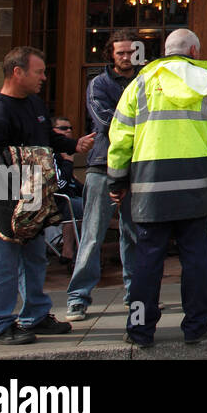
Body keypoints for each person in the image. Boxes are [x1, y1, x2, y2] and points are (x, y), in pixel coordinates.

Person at [109, 28, 207, 347]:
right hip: (196, 182)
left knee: (148, 258)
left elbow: (121, 135)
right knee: (195, 256)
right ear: (194, 51)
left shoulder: (140, 84)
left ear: (166, 51)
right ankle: (196, 326)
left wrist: (117, 179)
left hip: (149, 183)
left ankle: (140, 330)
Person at [0, 46, 95, 344]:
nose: (43, 77)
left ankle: (35, 315)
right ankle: (0, 326)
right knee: (2, 262)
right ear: (18, 72)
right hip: (4, 194)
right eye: (38, 72)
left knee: (34, 258)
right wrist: (33, 159)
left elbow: (47, 138)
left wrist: (73, 145)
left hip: (34, 195)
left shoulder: (35, 104)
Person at [65, 28, 140, 321]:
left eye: (130, 52)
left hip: (137, 164)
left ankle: (135, 295)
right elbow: (104, 120)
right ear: (111, 54)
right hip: (101, 165)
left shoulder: (146, 81)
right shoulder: (99, 83)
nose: (125, 57)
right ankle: (78, 298)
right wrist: (139, 123)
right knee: (93, 234)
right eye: (120, 52)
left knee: (133, 233)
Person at [44, 116, 86, 264]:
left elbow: (74, 184)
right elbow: (60, 185)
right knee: (78, 206)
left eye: (70, 128)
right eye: (63, 128)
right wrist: (68, 161)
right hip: (56, 201)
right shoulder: (52, 155)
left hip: (70, 197)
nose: (68, 131)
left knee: (101, 204)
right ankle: (68, 252)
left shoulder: (67, 153)